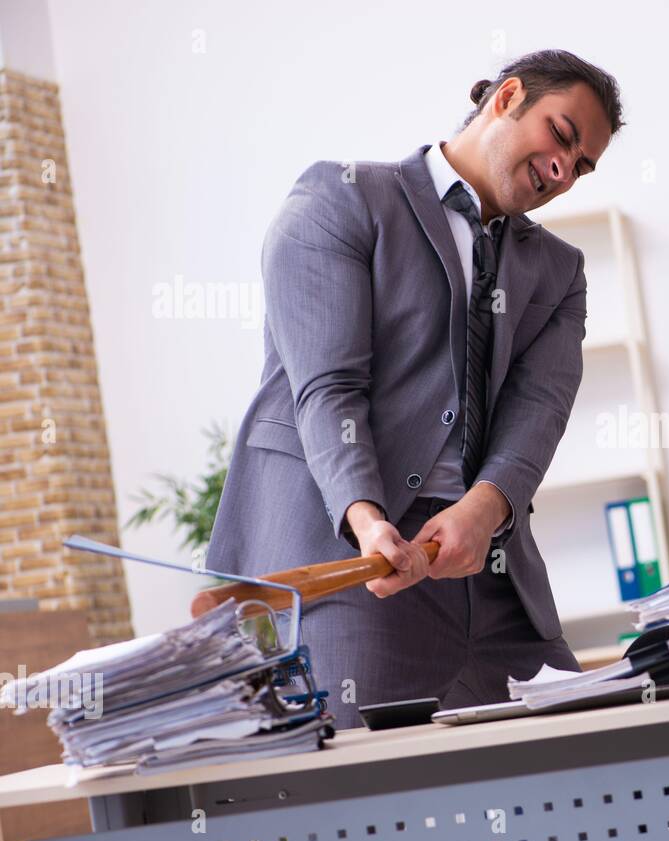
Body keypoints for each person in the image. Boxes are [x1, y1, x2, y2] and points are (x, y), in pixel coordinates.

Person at [207, 50, 623, 730]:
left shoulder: (559, 270)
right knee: (367, 802)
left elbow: (539, 409)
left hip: (488, 570)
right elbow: (328, 387)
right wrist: (368, 520)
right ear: (507, 96)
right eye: (561, 135)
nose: (563, 169)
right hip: (353, 561)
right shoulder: (341, 198)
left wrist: (485, 509)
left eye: (581, 166)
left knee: (583, 767)